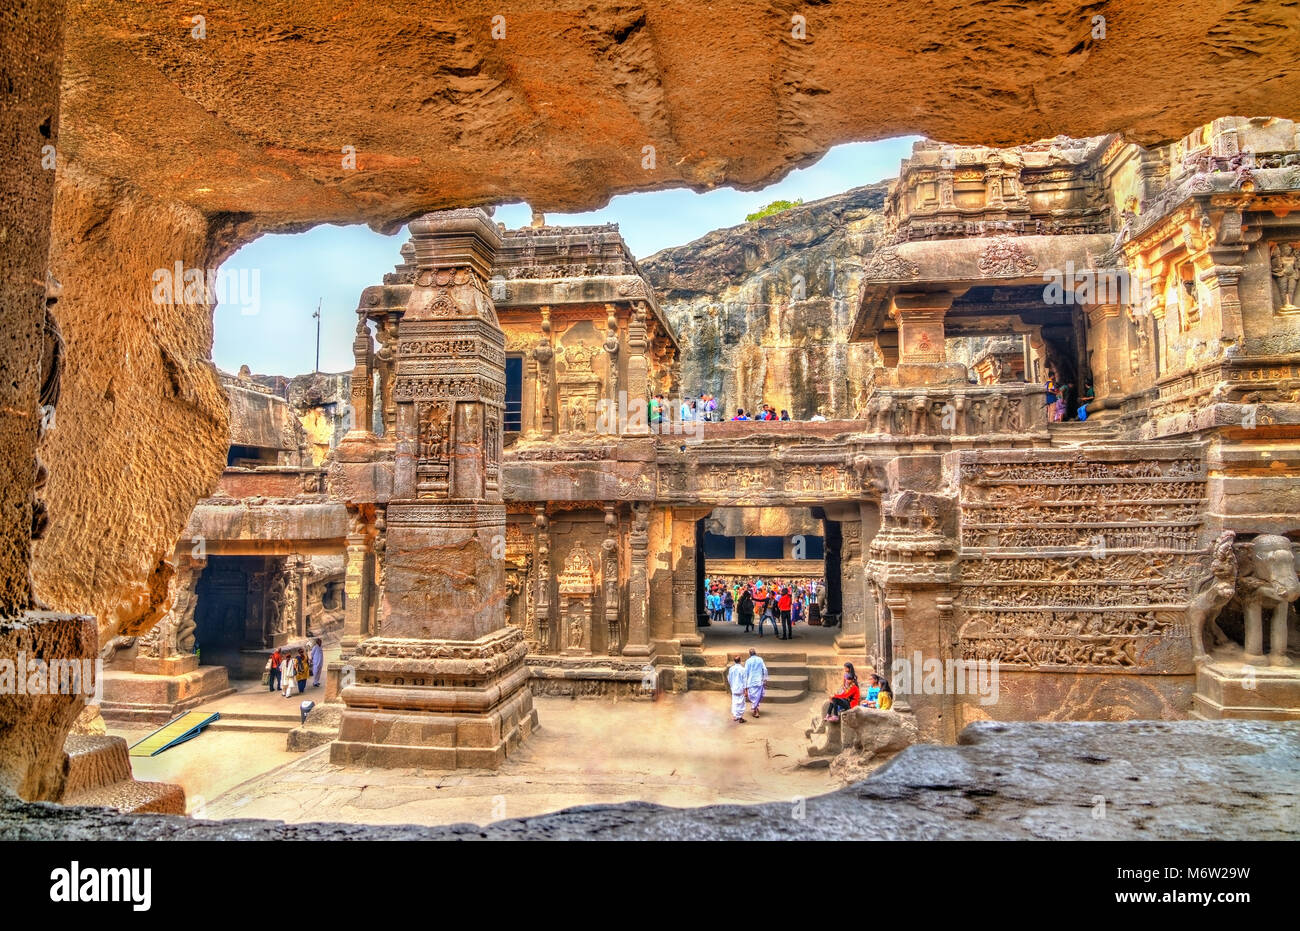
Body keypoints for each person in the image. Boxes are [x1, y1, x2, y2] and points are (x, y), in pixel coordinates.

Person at [744, 648, 769, 718]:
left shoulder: (748, 661)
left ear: (749, 654)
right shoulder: (760, 659)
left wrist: (745, 683)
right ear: (755, 653)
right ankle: (756, 709)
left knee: (753, 696)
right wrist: (765, 679)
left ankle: (756, 710)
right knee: (757, 696)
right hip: (759, 681)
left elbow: (745, 672)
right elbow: (765, 669)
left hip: (751, 681)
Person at [726, 655, 748, 724]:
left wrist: (731, 686)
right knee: (741, 703)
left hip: (734, 688)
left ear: (734, 661)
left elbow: (729, 678)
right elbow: (745, 680)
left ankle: (735, 716)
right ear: (740, 661)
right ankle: (740, 718)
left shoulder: (731, 669)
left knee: (735, 702)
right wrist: (746, 690)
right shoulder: (743, 669)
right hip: (740, 689)